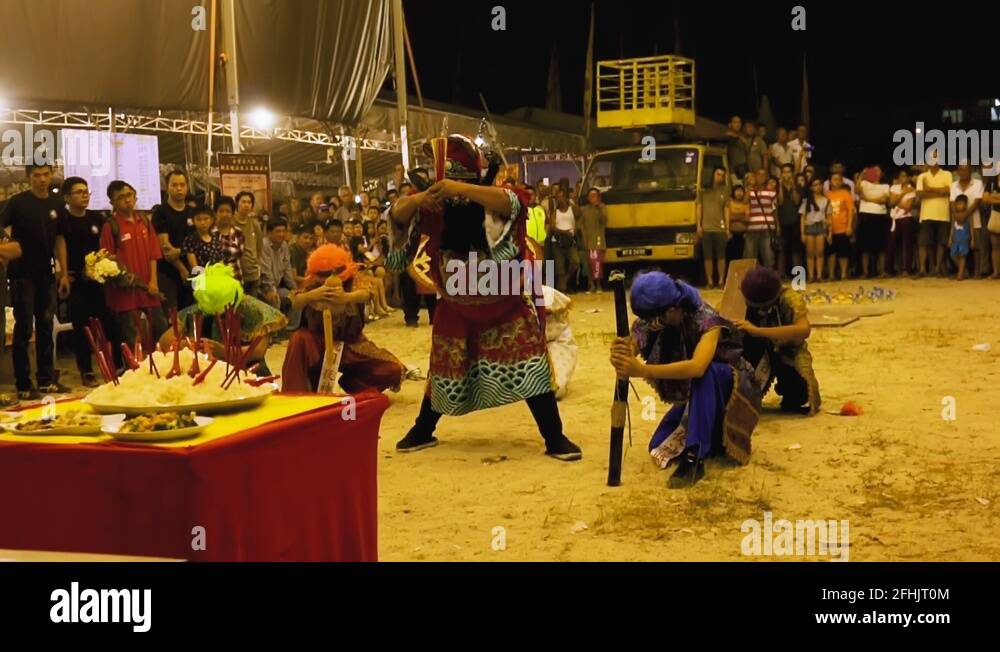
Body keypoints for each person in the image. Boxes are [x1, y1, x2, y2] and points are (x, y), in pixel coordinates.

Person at [387, 134, 582, 460]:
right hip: (457, 302)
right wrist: (422, 198)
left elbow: (514, 202)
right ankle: (423, 429)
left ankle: (554, 436)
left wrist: (459, 189)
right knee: (444, 368)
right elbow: (397, 213)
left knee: (530, 365)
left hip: (503, 299)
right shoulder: (432, 204)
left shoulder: (492, 196)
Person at [609, 272, 761, 487]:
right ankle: (711, 436)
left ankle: (694, 457)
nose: (651, 323)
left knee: (706, 373)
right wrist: (621, 355)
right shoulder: (657, 317)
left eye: (655, 318)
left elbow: (697, 367)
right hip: (698, 394)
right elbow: (634, 343)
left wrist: (643, 370)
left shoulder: (708, 320)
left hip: (732, 387)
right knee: (659, 445)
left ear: (671, 310)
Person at [282, 245, 405, 393]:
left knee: (394, 369)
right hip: (318, 343)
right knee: (299, 339)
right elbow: (296, 300)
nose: (330, 277)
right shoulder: (313, 284)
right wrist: (311, 296)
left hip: (351, 344)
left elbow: (368, 293)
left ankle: (353, 383)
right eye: (325, 274)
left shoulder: (354, 279)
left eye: (335, 272)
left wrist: (346, 297)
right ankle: (295, 393)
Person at [0, 163, 70, 398]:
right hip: (21, 275)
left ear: (51, 175)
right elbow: (2, 228)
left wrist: (63, 272)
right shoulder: (17, 202)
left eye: (45, 175)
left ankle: (45, 380)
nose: (42, 179)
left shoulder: (57, 204)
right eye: (37, 175)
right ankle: (23, 383)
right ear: (29, 177)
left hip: (46, 274)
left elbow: (60, 238)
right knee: (23, 329)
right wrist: (8, 250)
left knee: (45, 326)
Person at [161, 264, 286, 376]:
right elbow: (165, 342)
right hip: (211, 374)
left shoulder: (254, 310)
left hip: (250, 373)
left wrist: (224, 351)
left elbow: (258, 351)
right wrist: (184, 345)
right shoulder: (199, 309)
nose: (219, 314)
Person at [54, 177, 117, 387]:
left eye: (86, 191)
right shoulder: (62, 220)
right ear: (66, 197)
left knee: (108, 322)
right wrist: (62, 273)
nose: (84, 196)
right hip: (75, 281)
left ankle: (116, 365)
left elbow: (105, 246)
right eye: (78, 192)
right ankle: (86, 370)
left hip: (98, 280)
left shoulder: (97, 218)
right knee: (81, 327)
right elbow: (58, 246)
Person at [733, 266, 820, 416]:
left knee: (799, 396)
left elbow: (804, 330)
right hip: (753, 350)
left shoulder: (789, 298)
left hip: (788, 352)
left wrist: (759, 331)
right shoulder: (739, 299)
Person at [101, 180, 168, 353]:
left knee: (161, 330)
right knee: (130, 338)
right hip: (125, 294)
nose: (127, 200)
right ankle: (133, 373)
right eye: (121, 197)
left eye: (129, 195)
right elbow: (107, 261)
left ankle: (162, 368)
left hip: (149, 288)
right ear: (112, 202)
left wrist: (154, 281)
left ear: (135, 196)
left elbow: (154, 254)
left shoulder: (145, 221)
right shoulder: (111, 227)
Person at [151, 169, 194, 312]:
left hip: (192, 271)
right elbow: (166, 249)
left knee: (192, 314)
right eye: (174, 185)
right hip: (168, 273)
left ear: (187, 187)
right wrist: (182, 269)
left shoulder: (192, 212)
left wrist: (181, 251)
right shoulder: (160, 212)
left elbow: (197, 242)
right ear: (167, 186)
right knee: (173, 318)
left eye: (182, 185)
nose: (179, 188)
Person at [915, 152, 953, 276]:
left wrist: (930, 189)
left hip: (943, 213)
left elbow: (949, 191)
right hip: (926, 213)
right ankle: (923, 269)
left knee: (941, 242)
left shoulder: (947, 174)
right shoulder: (922, 176)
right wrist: (939, 192)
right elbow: (920, 194)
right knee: (924, 242)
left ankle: (937, 269)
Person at [857, 165, 892, 278]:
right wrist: (861, 176)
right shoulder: (864, 183)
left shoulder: (885, 186)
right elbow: (857, 191)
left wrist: (867, 199)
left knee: (881, 246)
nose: (876, 172)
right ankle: (865, 272)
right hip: (865, 215)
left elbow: (884, 200)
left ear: (881, 174)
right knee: (865, 246)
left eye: (878, 171)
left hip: (880, 216)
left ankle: (882, 271)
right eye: (873, 171)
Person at [697, 167, 729, 288]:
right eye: (718, 174)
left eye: (722, 175)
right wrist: (699, 225)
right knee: (708, 257)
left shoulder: (725, 190)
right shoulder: (703, 191)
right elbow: (699, 208)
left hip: (720, 228)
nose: (720, 177)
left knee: (721, 256)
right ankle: (710, 281)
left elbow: (726, 209)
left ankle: (721, 281)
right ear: (712, 175)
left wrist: (727, 227)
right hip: (706, 227)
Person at [950, 164, 984, 277]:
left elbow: (977, 201)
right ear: (957, 171)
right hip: (957, 222)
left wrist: (965, 214)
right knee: (958, 248)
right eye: (961, 169)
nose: (963, 172)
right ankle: (964, 271)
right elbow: (952, 202)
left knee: (976, 247)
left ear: (971, 170)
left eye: (966, 169)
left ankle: (977, 272)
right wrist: (956, 215)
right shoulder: (953, 185)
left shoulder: (978, 183)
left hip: (974, 219)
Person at [547, 185, 580, 293]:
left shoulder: (572, 209)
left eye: (561, 197)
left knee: (575, 262)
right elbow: (552, 227)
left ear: (566, 198)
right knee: (559, 268)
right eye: (557, 198)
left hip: (570, 241)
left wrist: (573, 201)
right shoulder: (555, 212)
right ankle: (562, 288)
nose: (559, 199)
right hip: (557, 241)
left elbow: (580, 214)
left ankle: (565, 280)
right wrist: (564, 232)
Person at [260, 217, 297, 311]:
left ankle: (292, 326)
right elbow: (265, 272)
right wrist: (271, 290)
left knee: (296, 298)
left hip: (277, 286)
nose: (282, 234)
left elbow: (287, 269)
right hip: (263, 287)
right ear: (269, 233)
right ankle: (279, 325)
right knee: (275, 299)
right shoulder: (264, 245)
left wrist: (294, 289)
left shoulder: (284, 245)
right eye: (278, 231)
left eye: (284, 231)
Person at [744, 170, 778, 269]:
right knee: (749, 254)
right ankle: (750, 278)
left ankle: (769, 278)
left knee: (768, 254)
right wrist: (750, 189)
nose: (761, 177)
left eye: (764, 175)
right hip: (752, 227)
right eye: (759, 175)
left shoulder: (771, 192)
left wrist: (777, 225)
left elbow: (775, 210)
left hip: (767, 227)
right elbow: (744, 202)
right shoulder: (750, 191)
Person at [234, 191, 264, 297]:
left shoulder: (255, 224)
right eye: (243, 202)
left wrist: (256, 265)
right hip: (235, 274)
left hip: (253, 275)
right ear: (237, 203)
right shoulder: (230, 223)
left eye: (249, 202)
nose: (246, 205)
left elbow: (259, 248)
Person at [825, 172, 855, 280]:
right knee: (831, 253)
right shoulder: (827, 194)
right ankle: (831, 275)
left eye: (838, 180)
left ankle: (843, 274)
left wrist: (849, 226)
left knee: (843, 253)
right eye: (834, 179)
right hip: (830, 229)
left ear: (841, 181)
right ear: (830, 181)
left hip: (843, 227)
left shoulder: (845, 194)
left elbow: (851, 211)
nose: (836, 182)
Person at [887, 170, 917, 276]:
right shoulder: (894, 187)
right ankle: (889, 270)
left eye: (905, 176)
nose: (903, 178)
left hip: (906, 218)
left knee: (907, 244)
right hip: (894, 218)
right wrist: (904, 193)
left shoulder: (912, 189)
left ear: (908, 178)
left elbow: (908, 207)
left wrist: (896, 201)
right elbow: (891, 203)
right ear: (898, 177)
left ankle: (906, 269)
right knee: (891, 243)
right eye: (901, 176)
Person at [578, 187, 608, 293]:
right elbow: (581, 225)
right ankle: (591, 285)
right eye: (591, 196)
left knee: (598, 263)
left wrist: (598, 208)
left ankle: (599, 285)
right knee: (588, 264)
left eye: (595, 196)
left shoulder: (602, 208)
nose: (593, 198)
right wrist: (584, 238)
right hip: (587, 239)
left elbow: (604, 221)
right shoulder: (584, 209)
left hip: (599, 240)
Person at [800, 177, 829, 282]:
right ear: (811, 187)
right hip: (809, 226)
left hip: (820, 226)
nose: (818, 187)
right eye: (815, 185)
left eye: (819, 184)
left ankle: (819, 276)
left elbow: (828, 216)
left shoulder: (825, 200)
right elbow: (802, 217)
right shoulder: (807, 200)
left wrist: (828, 231)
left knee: (820, 252)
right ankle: (811, 276)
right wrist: (802, 233)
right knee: (810, 253)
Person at [776, 163, 802, 278]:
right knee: (782, 250)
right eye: (784, 172)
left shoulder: (797, 186)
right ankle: (781, 275)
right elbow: (780, 202)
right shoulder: (778, 186)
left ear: (792, 174)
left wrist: (793, 186)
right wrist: (781, 185)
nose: (786, 174)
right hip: (782, 222)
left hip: (795, 221)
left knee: (796, 249)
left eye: (788, 172)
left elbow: (796, 201)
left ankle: (798, 276)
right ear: (781, 174)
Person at [182, 205, 224, 270]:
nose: (202, 222)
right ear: (193, 221)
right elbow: (194, 266)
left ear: (212, 220)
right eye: (198, 219)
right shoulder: (190, 239)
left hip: (217, 275)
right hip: (200, 277)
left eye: (206, 219)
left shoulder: (216, 238)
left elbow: (221, 260)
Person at [212, 196, 245, 281]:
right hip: (214, 281)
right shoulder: (210, 233)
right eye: (221, 211)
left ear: (233, 214)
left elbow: (240, 256)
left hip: (235, 279)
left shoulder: (239, 233)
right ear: (215, 213)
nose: (224, 214)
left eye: (228, 211)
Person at [725, 182, 750, 267]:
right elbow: (728, 218)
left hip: (743, 234)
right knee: (731, 257)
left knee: (741, 256)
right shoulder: (729, 203)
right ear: (733, 192)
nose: (739, 193)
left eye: (741, 191)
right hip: (731, 234)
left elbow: (747, 219)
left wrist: (734, 217)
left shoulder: (746, 204)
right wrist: (741, 216)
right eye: (737, 191)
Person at [949, 194, 973, 280]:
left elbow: (971, 227)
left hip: (964, 238)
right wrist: (950, 238)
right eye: (957, 204)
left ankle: (960, 274)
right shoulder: (954, 215)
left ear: (966, 205)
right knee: (953, 255)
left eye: (961, 204)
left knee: (962, 256)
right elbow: (952, 227)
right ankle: (964, 270)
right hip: (955, 239)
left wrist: (972, 239)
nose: (959, 206)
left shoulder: (968, 215)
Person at [984, 168, 1000, 279]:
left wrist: (993, 197)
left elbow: (989, 198)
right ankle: (996, 272)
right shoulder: (992, 181)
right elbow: (985, 198)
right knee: (995, 246)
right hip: (995, 214)